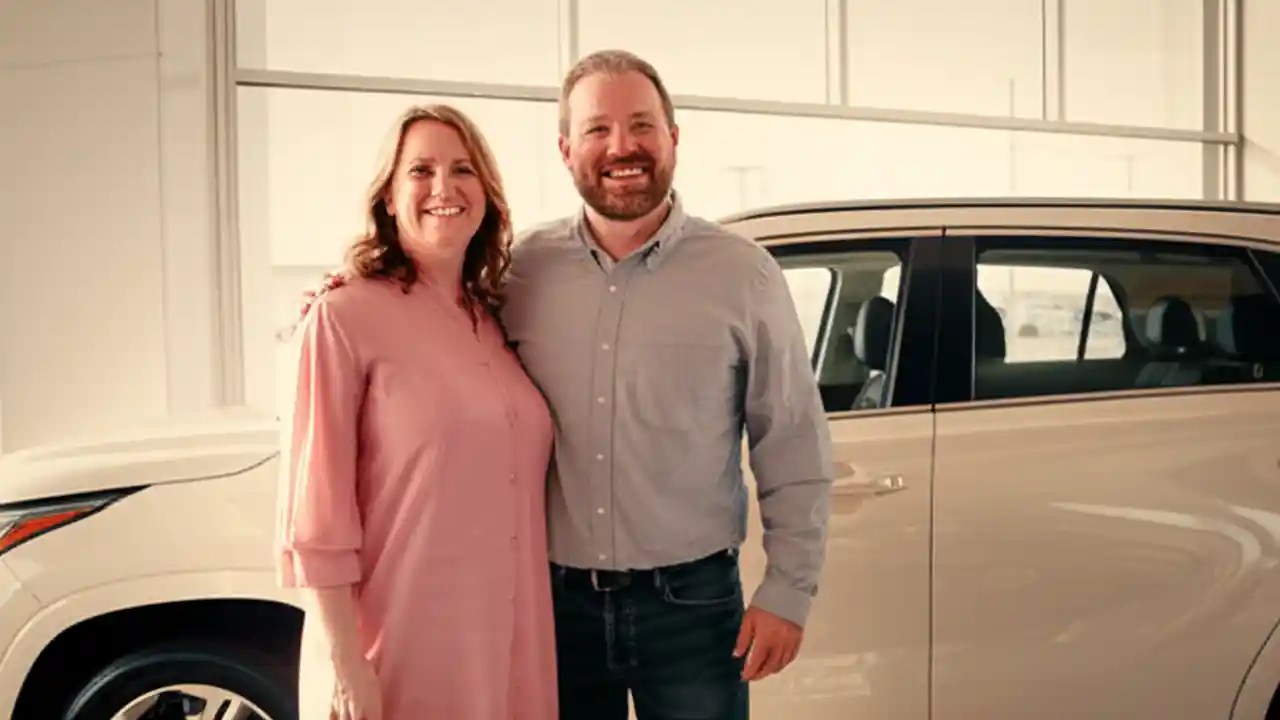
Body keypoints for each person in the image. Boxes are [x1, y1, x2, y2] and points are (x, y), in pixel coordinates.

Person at [500, 49, 834, 719]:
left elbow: (792, 441)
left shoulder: (744, 275)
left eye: (641, 125)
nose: (621, 147)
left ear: (674, 138)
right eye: (597, 129)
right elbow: (431, 342)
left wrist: (788, 591)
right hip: (551, 606)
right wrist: (350, 291)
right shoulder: (518, 271)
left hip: (693, 609)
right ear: (566, 150)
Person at [275, 104, 558, 720]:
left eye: (463, 169)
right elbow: (316, 519)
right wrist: (346, 666)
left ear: (487, 192)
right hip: (403, 645)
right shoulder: (341, 317)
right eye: (421, 170)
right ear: (388, 195)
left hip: (513, 645)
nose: (443, 188)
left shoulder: (492, 320)